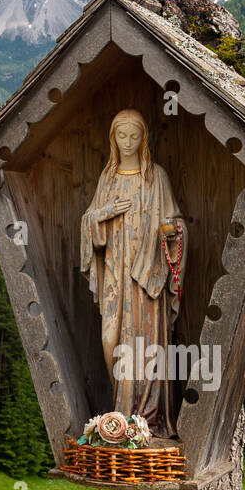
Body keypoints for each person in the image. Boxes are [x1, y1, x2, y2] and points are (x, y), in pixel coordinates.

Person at [80, 108, 186, 438]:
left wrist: (171, 233)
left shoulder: (157, 177)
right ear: (113, 139)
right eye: (121, 136)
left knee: (143, 346)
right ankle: (121, 410)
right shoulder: (108, 179)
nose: (128, 143)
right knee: (109, 339)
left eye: (134, 136)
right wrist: (103, 214)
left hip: (146, 275)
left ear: (144, 139)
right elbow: (89, 222)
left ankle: (142, 419)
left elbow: (177, 223)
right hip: (114, 274)